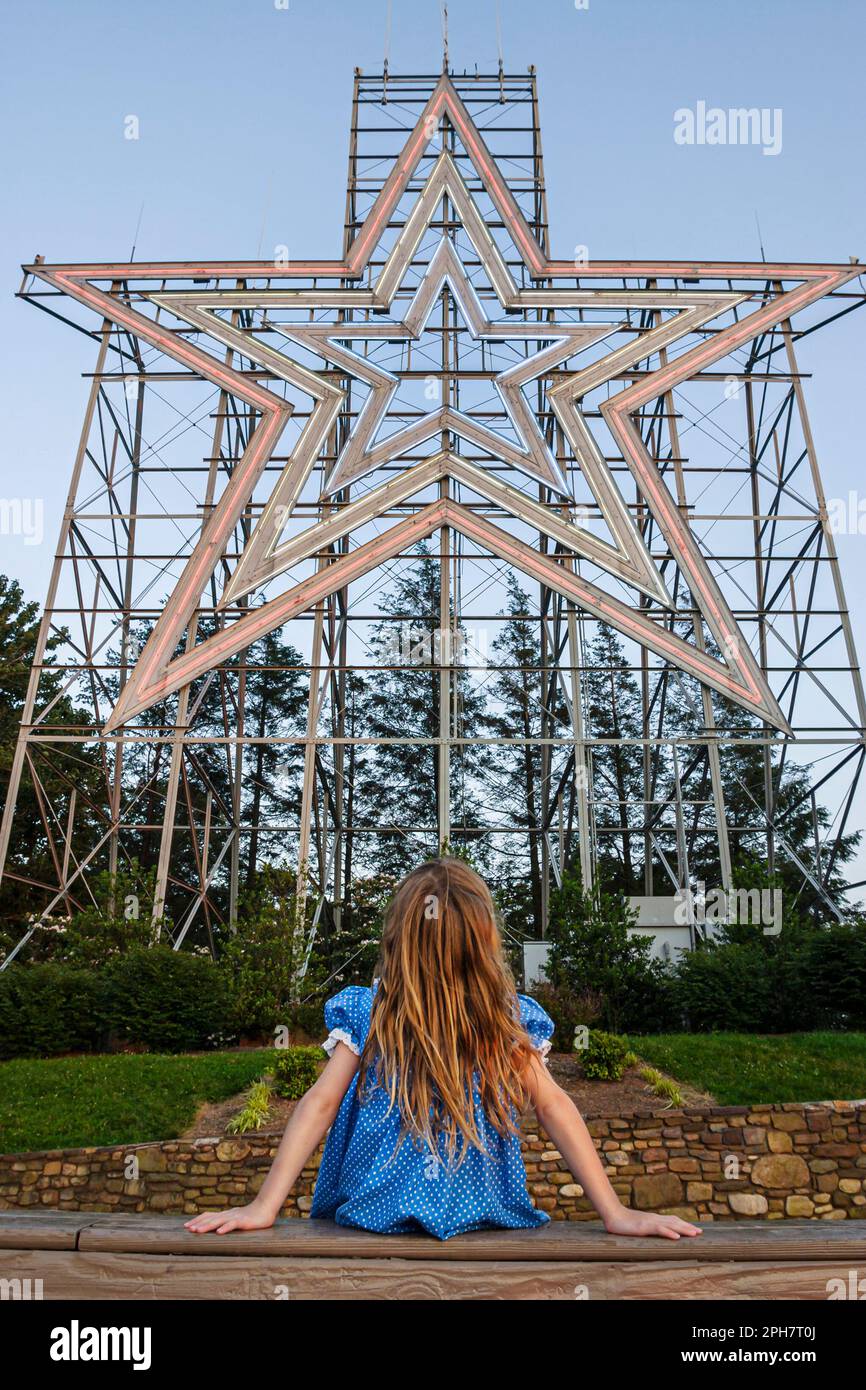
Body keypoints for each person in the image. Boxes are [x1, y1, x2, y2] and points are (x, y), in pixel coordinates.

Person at [185, 858, 701, 1242]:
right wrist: (614, 1212)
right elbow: (553, 1106)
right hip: (483, 1211)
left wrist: (264, 1205)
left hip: (374, 1210)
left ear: (398, 939)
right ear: (483, 945)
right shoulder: (505, 1021)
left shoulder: (371, 1012)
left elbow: (319, 1103)